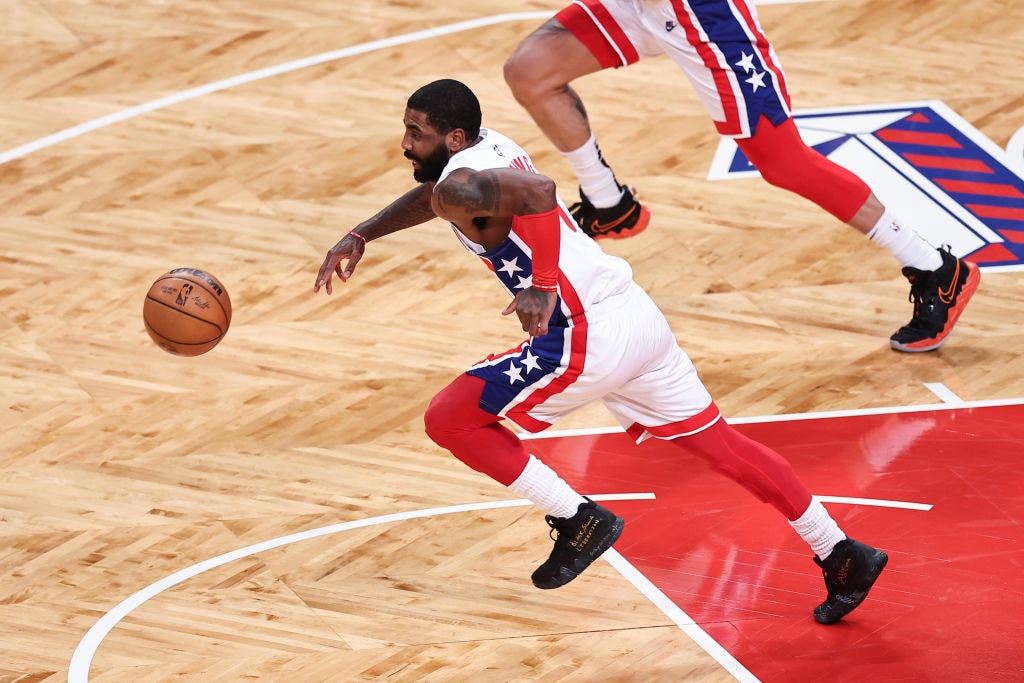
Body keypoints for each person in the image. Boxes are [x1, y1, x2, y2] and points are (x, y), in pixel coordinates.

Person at [314, 78, 887, 624]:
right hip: (637, 319)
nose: (405, 143)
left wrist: (540, 282)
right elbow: (436, 198)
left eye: (417, 133)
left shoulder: (460, 184)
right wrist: (363, 231)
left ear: (455, 140)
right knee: (726, 448)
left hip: (585, 333)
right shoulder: (481, 157)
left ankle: (578, 517)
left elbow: (538, 194)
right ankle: (840, 552)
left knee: (449, 419)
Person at [502, 0, 980, 353]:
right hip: (633, 8)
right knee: (529, 70)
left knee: (784, 161)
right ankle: (610, 203)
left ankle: (938, 269)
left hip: (701, 18)